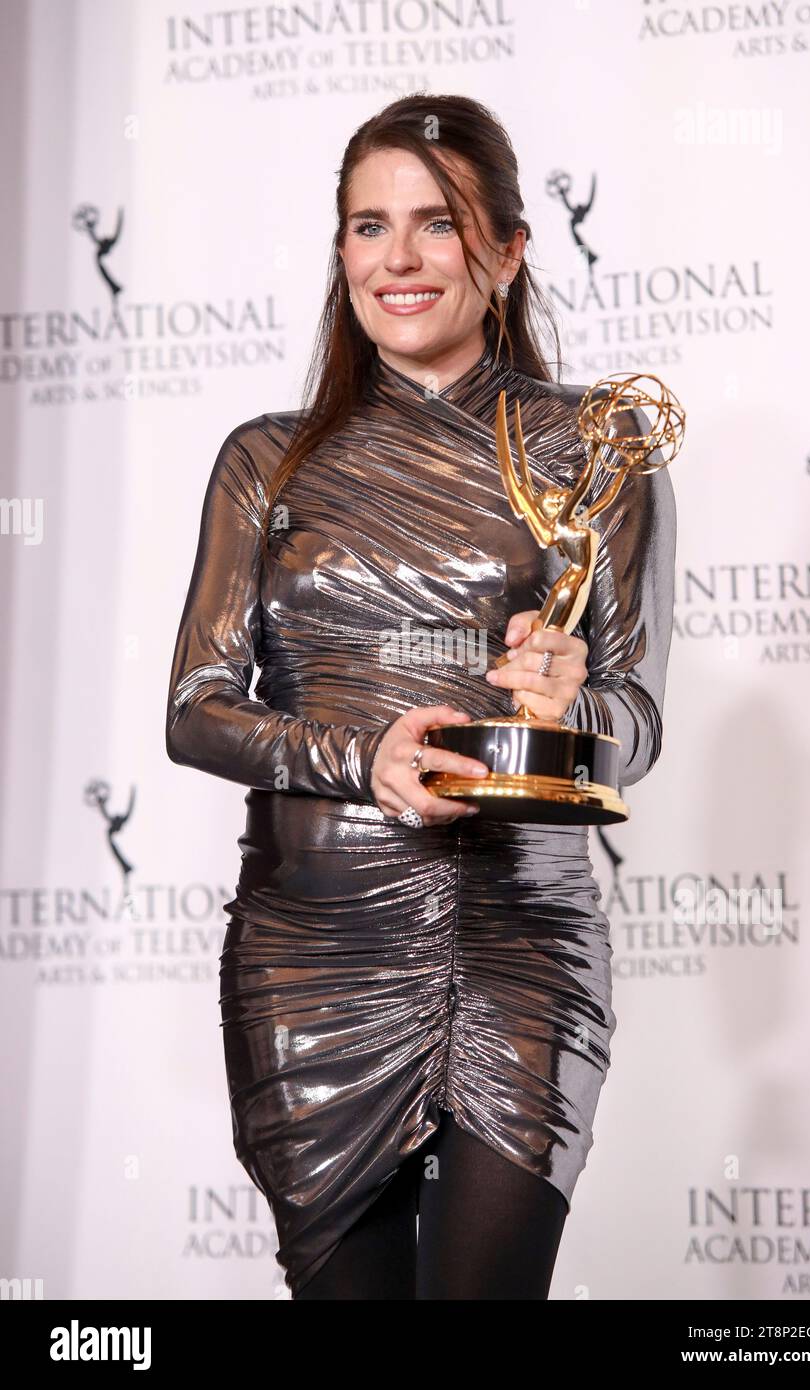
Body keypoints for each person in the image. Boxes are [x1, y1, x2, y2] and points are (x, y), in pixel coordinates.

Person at [165, 93, 676, 1300]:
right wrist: (362, 758)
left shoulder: (593, 447)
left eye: (434, 224)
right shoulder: (264, 459)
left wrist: (573, 709)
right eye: (365, 226)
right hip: (309, 950)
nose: (395, 258)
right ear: (338, 250)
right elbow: (195, 706)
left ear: (503, 250)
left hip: (515, 943)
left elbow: (636, 724)